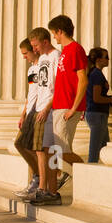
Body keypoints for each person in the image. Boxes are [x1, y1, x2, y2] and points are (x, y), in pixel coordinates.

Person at [46, 14, 87, 194]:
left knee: (61, 150)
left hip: (68, 107)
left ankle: (87, 174)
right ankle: (57, 181)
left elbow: (83, 80)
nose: (54, 37)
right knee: (57, 150)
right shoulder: (65, 52)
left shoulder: (76, 49)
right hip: (59, 106)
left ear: (60, 31)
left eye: (54, 34)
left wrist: (73, 108)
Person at [24, 26, 62, 205]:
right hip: (40, 108)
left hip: (50, 109)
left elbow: (58, 86)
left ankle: (49, 190)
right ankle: (43, 188)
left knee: (48, 150)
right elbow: (39, 87)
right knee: (40, 150)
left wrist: (47, 108)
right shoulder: (43, 59)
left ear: (45, 41)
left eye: (36, 45)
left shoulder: (56, 56)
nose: (34, 50)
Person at [13, 37, 40, 197]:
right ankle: (37, 177)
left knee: (29, 146)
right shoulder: (31, 70)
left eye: (25, 53)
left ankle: (40, 178)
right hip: (30, 111)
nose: (24, 57)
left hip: (39, 111)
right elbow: (31, 94)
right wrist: (23, 114)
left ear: (33, 50)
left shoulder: (43, 65)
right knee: (21, 144)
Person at [85, 48, 112, 163]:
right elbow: (96, 98)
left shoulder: (95, 73)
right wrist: (111, 100)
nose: (108, 59)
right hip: (96, 114)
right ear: (98, 60)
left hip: (98, 114)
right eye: (106, 57)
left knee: (104, 146)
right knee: (94, 151)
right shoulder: (96, 74)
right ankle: (89, 174)